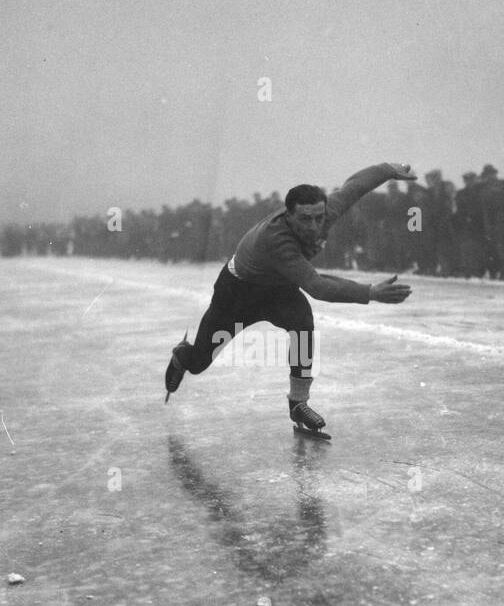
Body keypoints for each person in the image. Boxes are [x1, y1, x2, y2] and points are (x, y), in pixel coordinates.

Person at [164, 162, 417, 434]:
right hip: (237, 294)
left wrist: (388, 169)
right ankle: (182, 356)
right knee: (199, 363)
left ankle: (298, 403)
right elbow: (317, 286)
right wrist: (369, 293)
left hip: (278, 290)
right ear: (288, 215)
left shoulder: (325, 211)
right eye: (305, 219)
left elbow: (354, 186)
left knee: (303, 326)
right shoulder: (276, 240)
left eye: (318, 218)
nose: (314, 226)